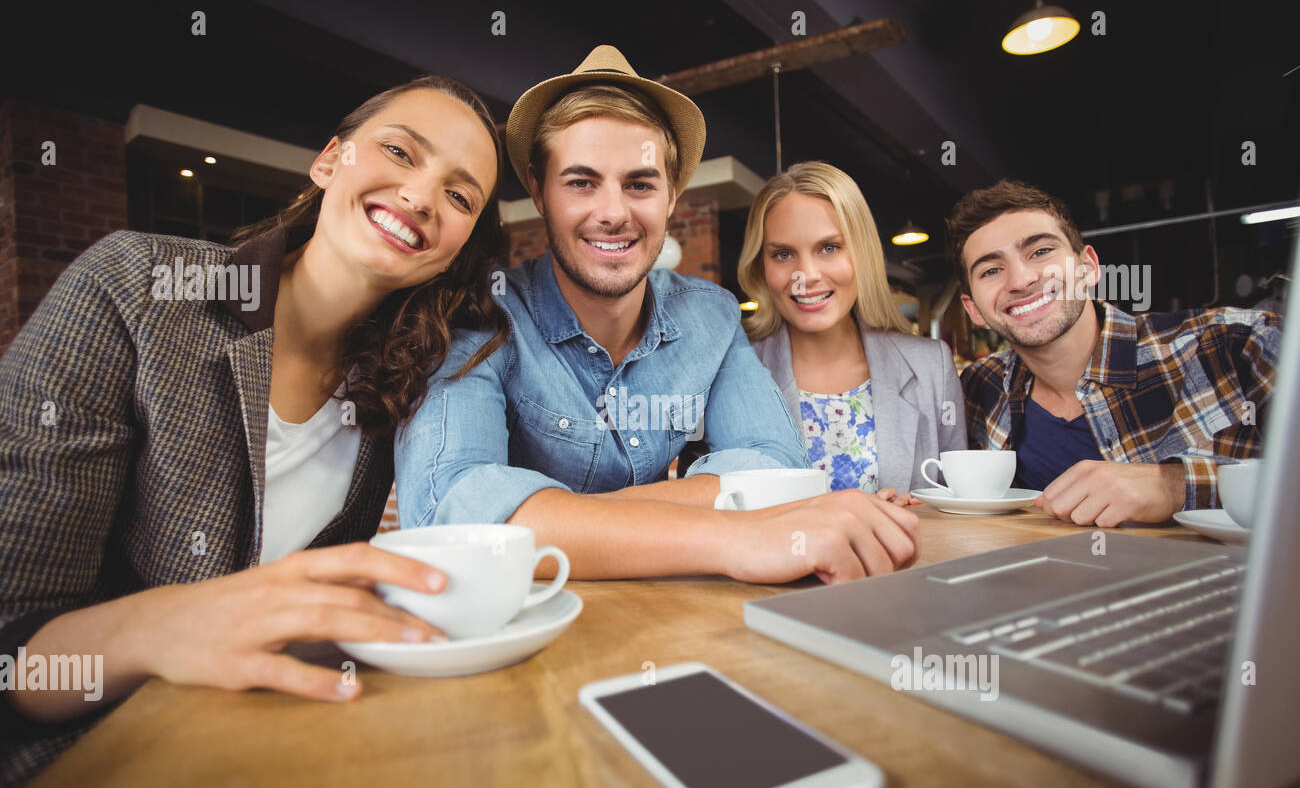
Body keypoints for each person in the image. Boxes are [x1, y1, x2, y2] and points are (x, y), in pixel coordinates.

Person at [0, 75, 508, 788]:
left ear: (457, 248)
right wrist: (159, 630)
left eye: (460, 196)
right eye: (400, 151)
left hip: (271, 761)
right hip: (87, 783)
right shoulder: (138, 289)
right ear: (330, 159)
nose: (423, 197)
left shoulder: (406, 378)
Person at [395, 46, 920, 583]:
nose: (614, 213)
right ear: (537, 190)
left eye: (640, 184)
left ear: (672, 196)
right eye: (581, 182)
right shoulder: (476, 312)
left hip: (664, 624)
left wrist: (586, 517)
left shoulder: (710, 317)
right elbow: (449, 508)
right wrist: (732, 535)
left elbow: (774, 465)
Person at [951, 179, 1283, 526]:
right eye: (991, 270)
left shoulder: (1236, 342)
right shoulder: (978, 389)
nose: (1020, 280)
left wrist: (1176, 487)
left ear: (1089, 267)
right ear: (974, 309)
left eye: (1040, 252)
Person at [740, 161, 966, 500]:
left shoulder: (931, 365)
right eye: (783, 254)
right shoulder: (734, 372)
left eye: (829, 248)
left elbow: (962, 504)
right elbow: (716, 511)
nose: (807, 274)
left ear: (862, 254)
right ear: (761, 265)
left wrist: (923, 515)